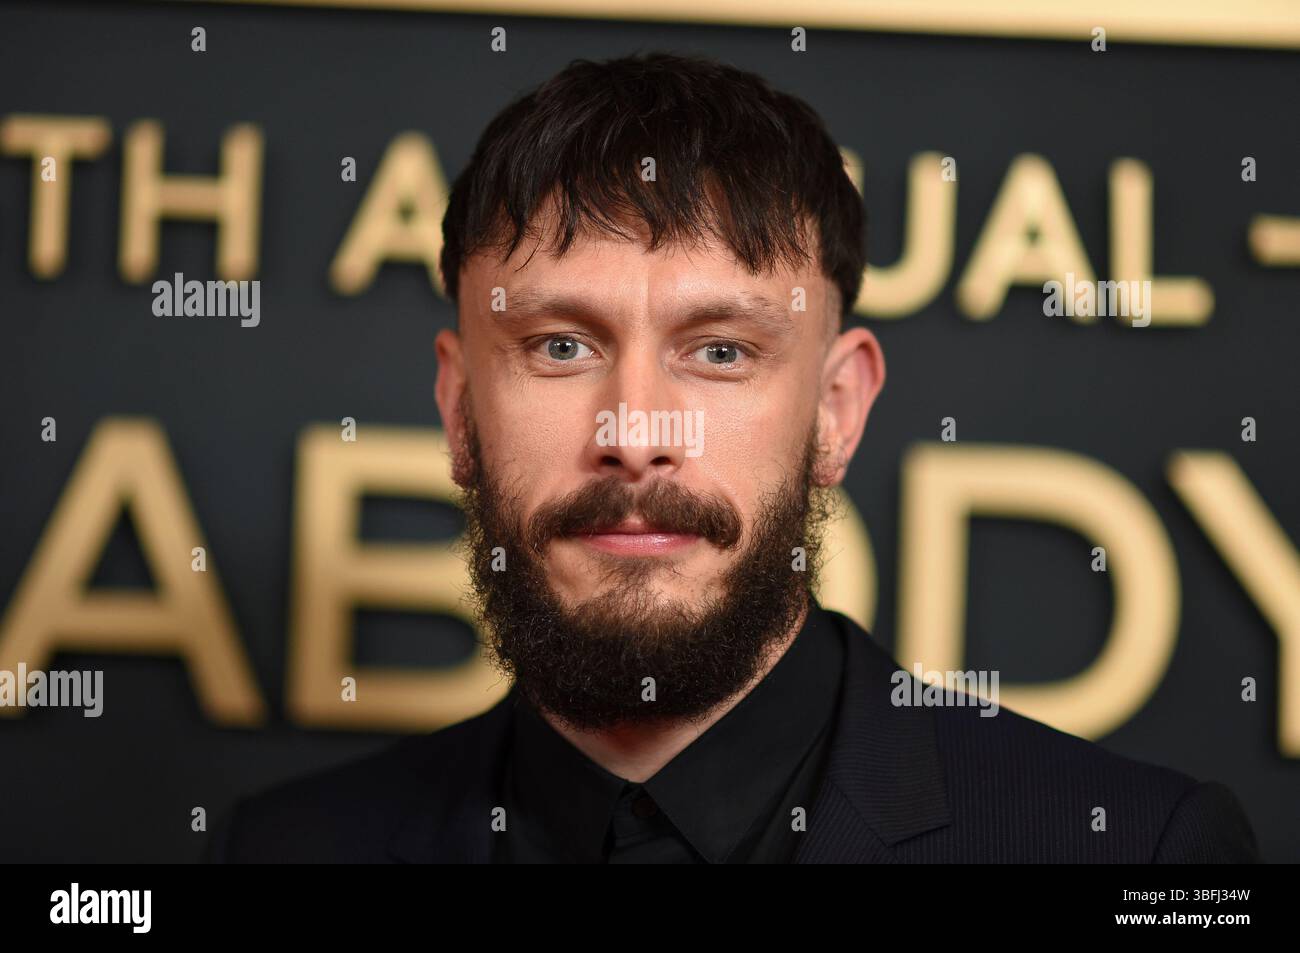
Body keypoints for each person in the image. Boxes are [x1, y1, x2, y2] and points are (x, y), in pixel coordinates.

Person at [206, 52, 1257, 863]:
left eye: (719, 350)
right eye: (559, 345)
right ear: (457, 408)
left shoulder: (1127, 847)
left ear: (836, 409)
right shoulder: (287, 848)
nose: (634, 433)